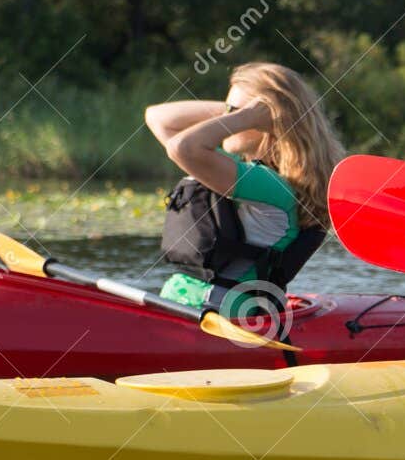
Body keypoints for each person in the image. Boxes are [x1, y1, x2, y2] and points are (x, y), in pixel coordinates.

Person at [145, 62, 345, 319]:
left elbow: (181, 147)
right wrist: (236, 111)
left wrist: (246, 117)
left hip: (221, 316)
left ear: (266, 119)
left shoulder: (273, 188)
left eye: (236, 112)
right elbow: (157, 117)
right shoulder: (245, 174)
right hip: (190, 310)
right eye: (228, 111)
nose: (226, 119)